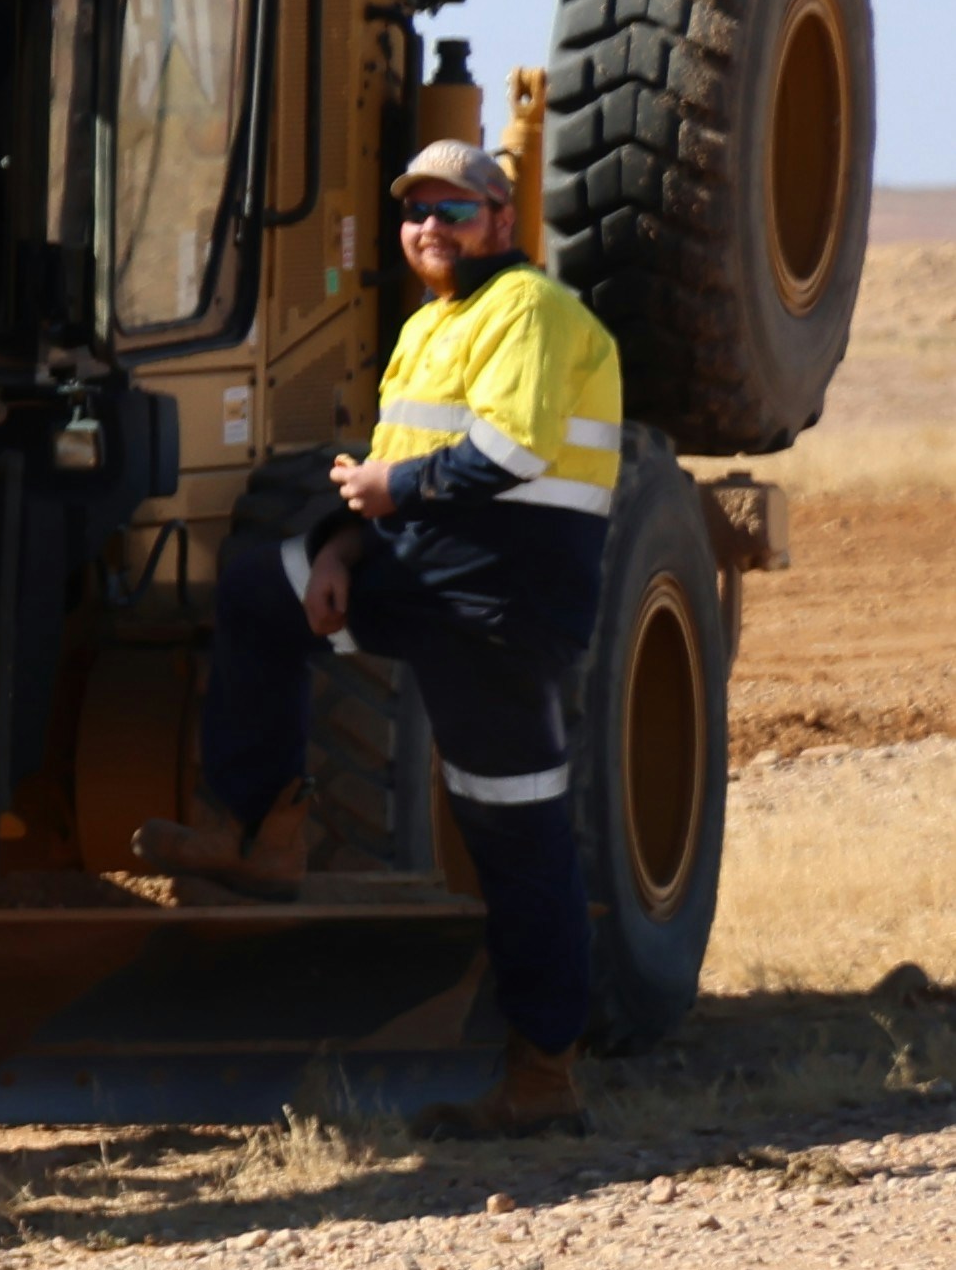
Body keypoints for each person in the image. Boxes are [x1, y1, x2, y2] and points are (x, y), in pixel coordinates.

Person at [142, 130, 629, 1135]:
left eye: (452, 209)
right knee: (258, 589)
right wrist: (336, 548)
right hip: (420, 576)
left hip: (501, 605)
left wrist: (386, 490)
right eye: (413, 211)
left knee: (515, 831)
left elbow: (507, 448)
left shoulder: (530, 310)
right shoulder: (428, 325)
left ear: (500, 217)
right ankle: (256, 831)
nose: (428, 227)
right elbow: (390, 459)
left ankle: (541, 1077)